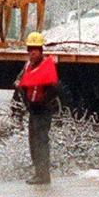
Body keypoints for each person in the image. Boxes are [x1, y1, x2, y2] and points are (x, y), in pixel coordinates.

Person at [15, 31, 59, 185]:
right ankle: (38, 173)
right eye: (30, 50)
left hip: (43, 110)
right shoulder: (27, 66)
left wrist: (43, 103)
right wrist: (27, 103)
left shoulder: (47, 66)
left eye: (35, 50)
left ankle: (43, 175)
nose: (32, 53)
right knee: (33, 142)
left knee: (41, 141)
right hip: (33, 109)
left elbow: (54, 88)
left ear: (41, 51)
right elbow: (20, 83)